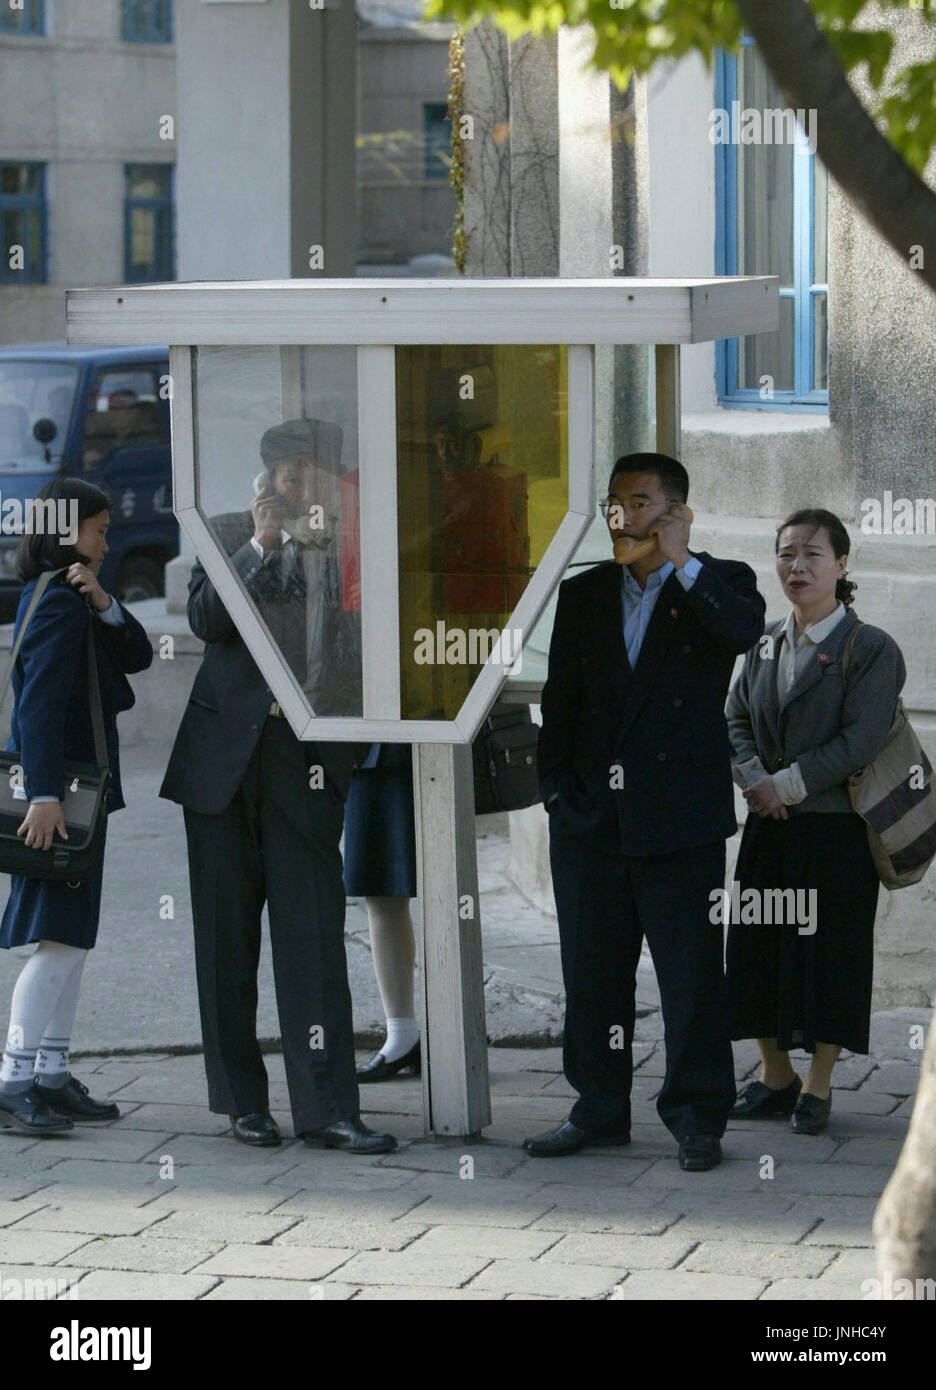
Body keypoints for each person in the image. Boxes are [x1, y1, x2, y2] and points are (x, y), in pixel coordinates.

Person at [160, 418, 397, 1154]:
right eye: (289, 476)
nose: (301, 488)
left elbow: (367, 647)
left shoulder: (350, 541)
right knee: (226, 942)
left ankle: (328, 1108)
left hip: (309, 763)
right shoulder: (228, 530)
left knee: (314, 938)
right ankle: (241, 1103)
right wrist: (262, 544)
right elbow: (205, 619)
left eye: (313, 475)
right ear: (267, 482)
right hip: (223, 761)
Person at [525, 452, 765, 1171]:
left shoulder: (718, 583)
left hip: (678, 822)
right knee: (594, 977)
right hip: (591, 823)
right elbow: (561, 705)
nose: (623, 517)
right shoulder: (587, 592)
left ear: (676, 512)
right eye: (614, 504)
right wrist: (557, 795)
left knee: (690, 978)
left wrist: (682, 560)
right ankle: (598, 1107)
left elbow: (743, 633)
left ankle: (697, 1116)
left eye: (640, 502)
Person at [725, 508, 905, 1134]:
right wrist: (754, 780)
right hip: (768, 827)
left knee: (831, 955)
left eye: (812, 554)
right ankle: (775, 1075)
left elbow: (862, 740)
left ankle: (819, 1084)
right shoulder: (762, 643)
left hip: (835, 831)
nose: (796, 566)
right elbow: (736, 720)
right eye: (785, 553)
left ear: (842, 564)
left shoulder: (871, 649)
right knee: (755, 950)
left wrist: (789, 786)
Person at [0, 477, 153, 1135]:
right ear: (69, 533)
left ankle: (52, 1073)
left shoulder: (70, 597)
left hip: (69, 798)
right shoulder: (58, 604)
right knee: (58, 941)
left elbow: (139, 656)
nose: (107, 540)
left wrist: (107, 603)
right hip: (60, 800)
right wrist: (41, 794)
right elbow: (36, 704)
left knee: (71, 938)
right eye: (99, 529)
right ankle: (14, 1080)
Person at [346, 743, 420, 1082]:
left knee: (453, 889)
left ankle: (456, 1034)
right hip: (369, 745)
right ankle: (403, 1035)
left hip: (443, 733)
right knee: (380, 887)